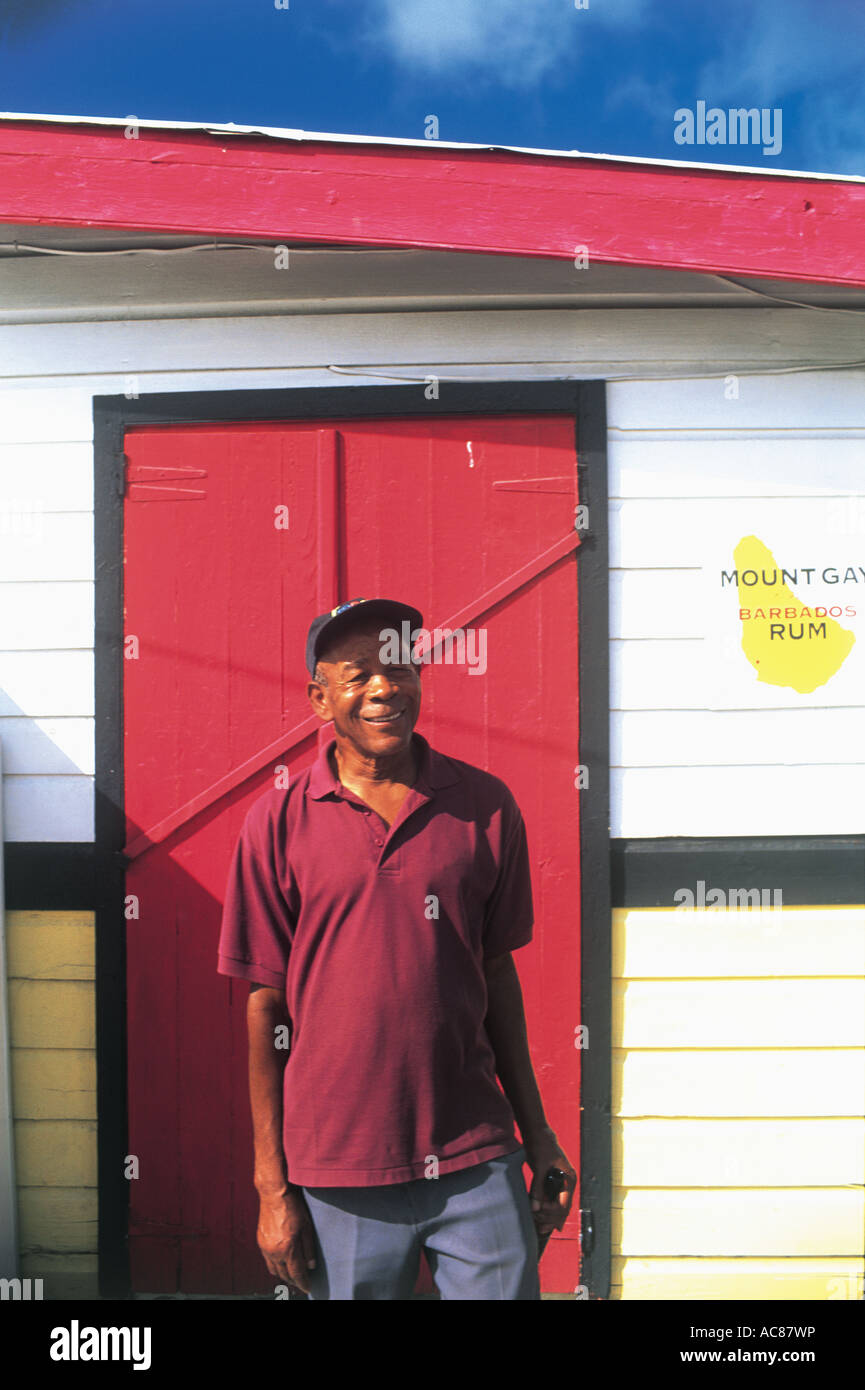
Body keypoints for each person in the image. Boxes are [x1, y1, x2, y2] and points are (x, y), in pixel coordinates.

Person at [217, 597, 576, 1300]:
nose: (385, 687)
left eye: (400, 668)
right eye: (358, 675)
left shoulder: (484, 807)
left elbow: (495, 978)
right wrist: (270, 1185)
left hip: (474, 1156)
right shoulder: (278, 822)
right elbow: (265, 1009)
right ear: (320, 698)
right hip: (338, 1171)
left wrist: (539, 1135)